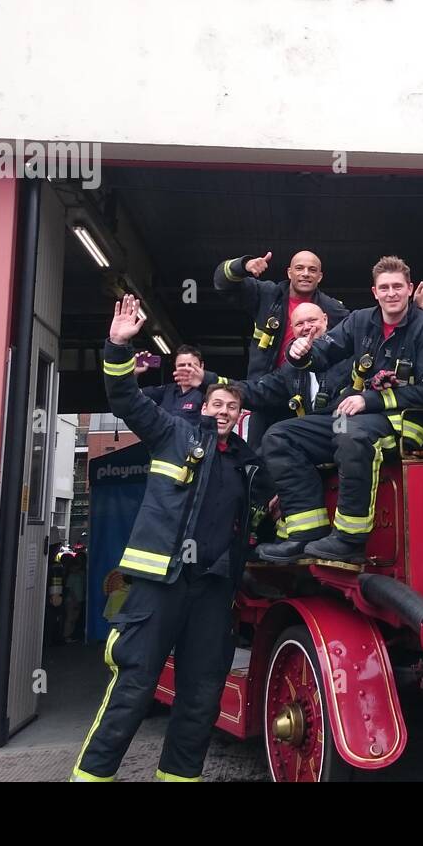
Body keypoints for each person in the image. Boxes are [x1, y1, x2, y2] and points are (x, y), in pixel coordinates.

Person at [70, 294, 267, 782]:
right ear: (204, 406)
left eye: (232, 405)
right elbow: (124, 400)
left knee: (201, 697)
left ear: (241, 414)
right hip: (160, 582)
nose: (223, 410)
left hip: (213, 593)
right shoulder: (172, 434)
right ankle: (89, 778)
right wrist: (117, 347)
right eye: (216, 403)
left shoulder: (248, 465)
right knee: (133, 688)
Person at [256, 257, 423, 566]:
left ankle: (349, 540)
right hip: (358, 418)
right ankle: (306, 533)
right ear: (374, 292)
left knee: (352, 436)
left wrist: (369, 400)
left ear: (410, 289)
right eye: (384, 288)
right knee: (279, 436)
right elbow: (325, 351)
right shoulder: (360, 321)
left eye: (398, 286)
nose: (392, 293)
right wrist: (300, 354)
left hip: (405, 423)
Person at [213, 248, 349, 441]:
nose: (305, 274)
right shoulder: (267, 294)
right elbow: (222, 283)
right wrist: (243, 265)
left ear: (320, 276)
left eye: (312, 270)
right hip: (266, 392)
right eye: (299, 268)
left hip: (311, 398)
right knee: (258, 454)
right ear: (289, 272)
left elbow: (356, 340)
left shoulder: (333, 309)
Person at [135, 344, 219, 424]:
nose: (186, 369)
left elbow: (228, 388)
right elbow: (132, 395)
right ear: (175, 366)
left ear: (202, 366)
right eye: (181, 365)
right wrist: (133, 373)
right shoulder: (166, 390)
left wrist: (205, 379)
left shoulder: (208, 392)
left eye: (191, 365)